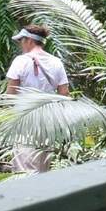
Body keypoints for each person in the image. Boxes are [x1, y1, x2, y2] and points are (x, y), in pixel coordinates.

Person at [5, 24, 70, 172]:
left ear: (29, 40)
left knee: (24, 163)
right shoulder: (56, 62)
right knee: (43, 163)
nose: (21, 44)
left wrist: (8, 115)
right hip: (48, 119)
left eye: (21, 40)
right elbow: (64, 93)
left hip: (25, 118)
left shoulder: (20, 61)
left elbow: (11, 93)